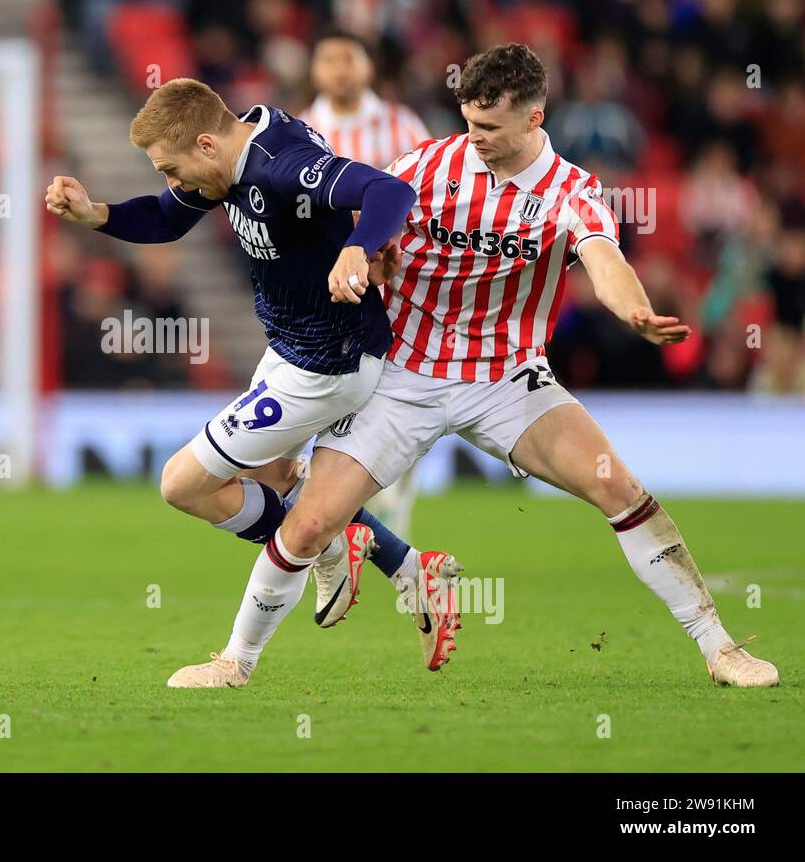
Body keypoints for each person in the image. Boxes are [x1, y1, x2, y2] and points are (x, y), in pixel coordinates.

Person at [180, 43, 777, 689]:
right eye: (469, 123)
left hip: (505, 379)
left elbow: (605, 257)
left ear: (534, 119)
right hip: (401, 376)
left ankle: (722, 650)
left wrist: (634, 311)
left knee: (620, 491)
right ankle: (233, 663)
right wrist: (366, 256)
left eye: (490, 128)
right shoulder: (429, 165)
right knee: (312, 523)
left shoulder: (570, 191)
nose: (476, 139)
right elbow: (365, 222)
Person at [45, 78, 462, 689]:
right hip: (292, 350)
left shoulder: (281, 167)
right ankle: (407, 568)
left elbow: (388, 190)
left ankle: (237, 661)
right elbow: (165, 218)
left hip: (324, 363)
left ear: (208, 144)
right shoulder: (232, 156)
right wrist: (97, 215)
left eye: (173, 168)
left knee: (183, 484)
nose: (175, 184)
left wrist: (357, 250)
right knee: (277, 482)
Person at [301, 28, 432, 536]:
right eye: (328, 59)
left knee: (400, 390)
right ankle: (337, 510)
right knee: (332, 389)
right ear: (315, 71)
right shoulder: (303, 127)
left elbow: (426, 192)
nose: (338, 69)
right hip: (325, 281)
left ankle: (393, 510)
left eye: (347, 59)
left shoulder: (401, 124)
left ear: (367, 68)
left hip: (393, 277)